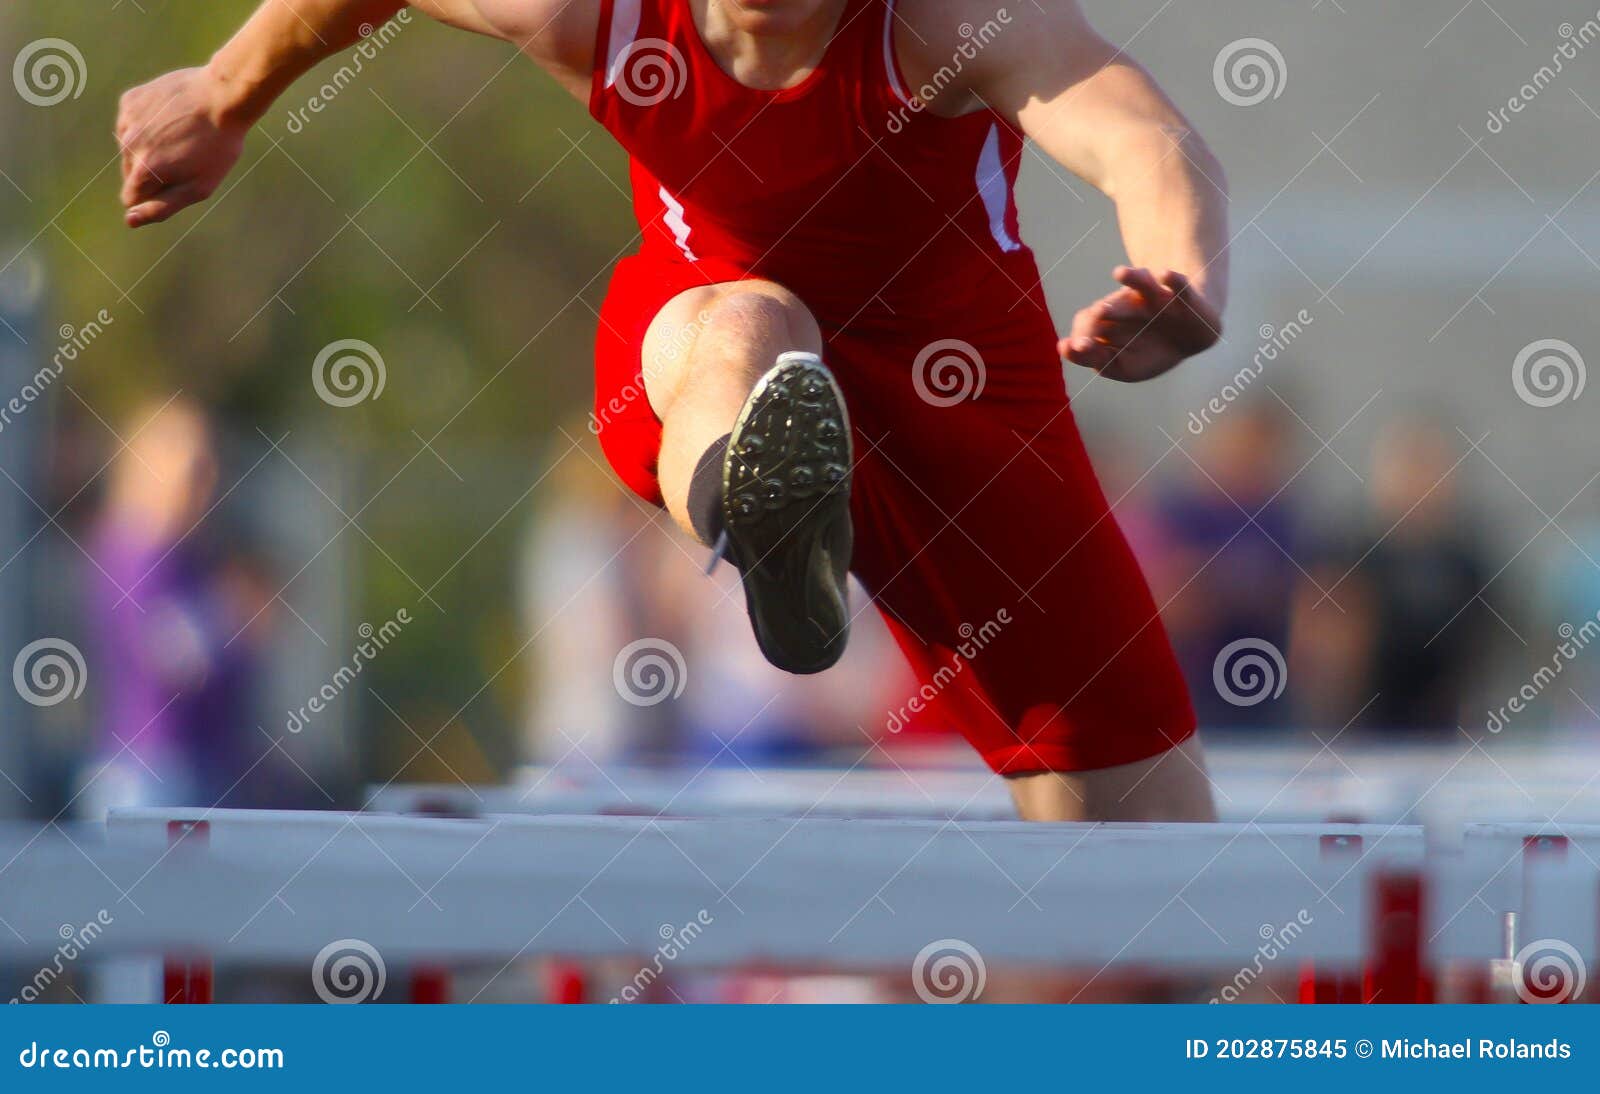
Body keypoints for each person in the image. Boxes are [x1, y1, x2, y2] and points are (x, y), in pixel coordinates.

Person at [114, 0, 1230, 820]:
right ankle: (762, 511)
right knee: (748, 325)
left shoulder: (948, 22)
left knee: (1149, 847)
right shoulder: (583, 12)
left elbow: (1143, 135)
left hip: (961, 389)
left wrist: (1180, 278)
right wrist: (221, 92)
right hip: (706, 336)